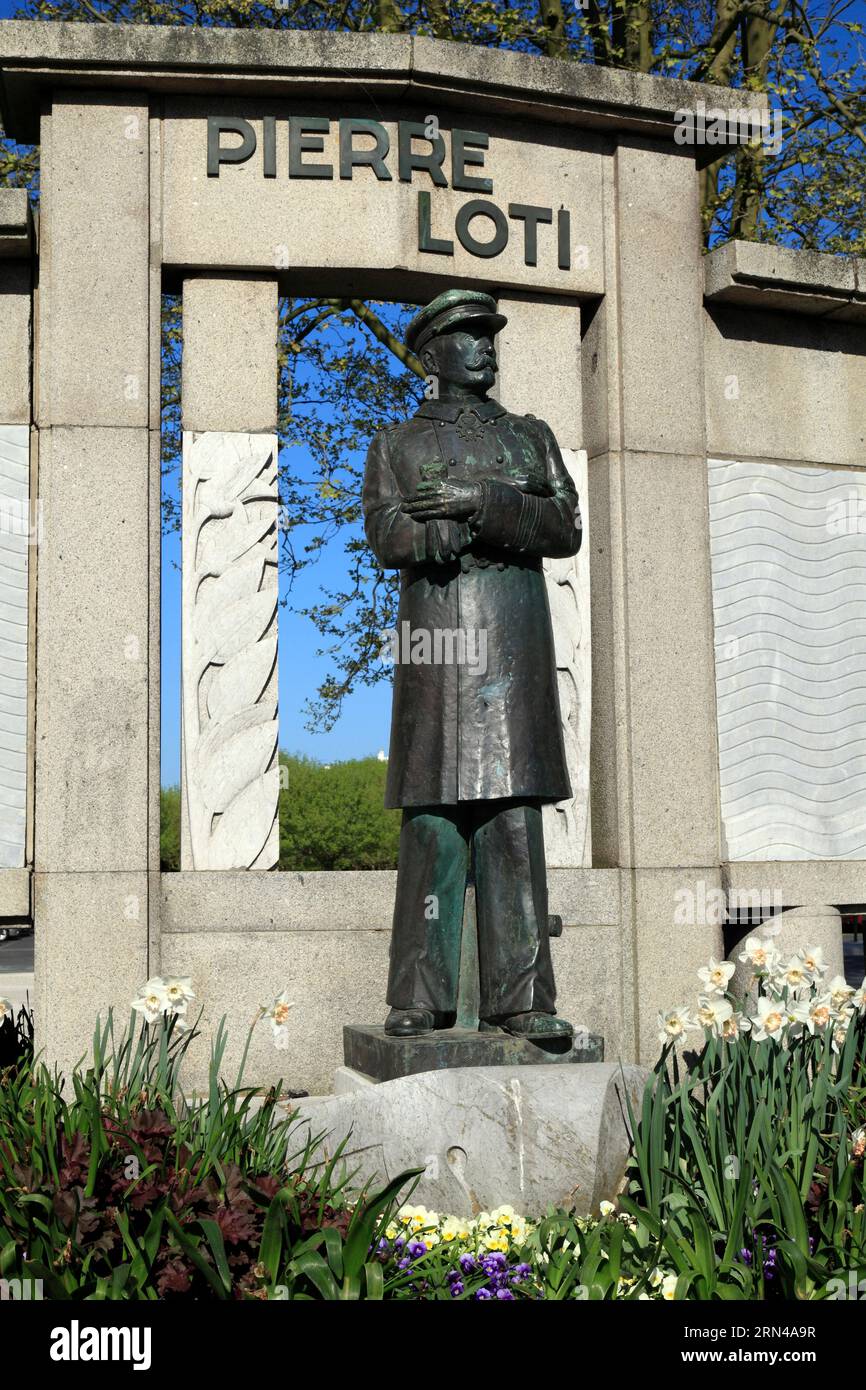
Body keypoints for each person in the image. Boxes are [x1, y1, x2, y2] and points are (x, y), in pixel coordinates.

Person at [362, 288, 582, 1041]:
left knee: (513, 817)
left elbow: (563, 525)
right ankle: (419, 995)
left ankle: (523, 998)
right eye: (468, 336)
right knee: (432, 822)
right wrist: (441, 536)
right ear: (433, 353)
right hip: (435, 647)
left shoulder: (531, 436)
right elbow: (386, 532)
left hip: (513, 645)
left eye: (489, 336)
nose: (485, 347)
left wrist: (478, 500)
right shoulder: (396, 441)